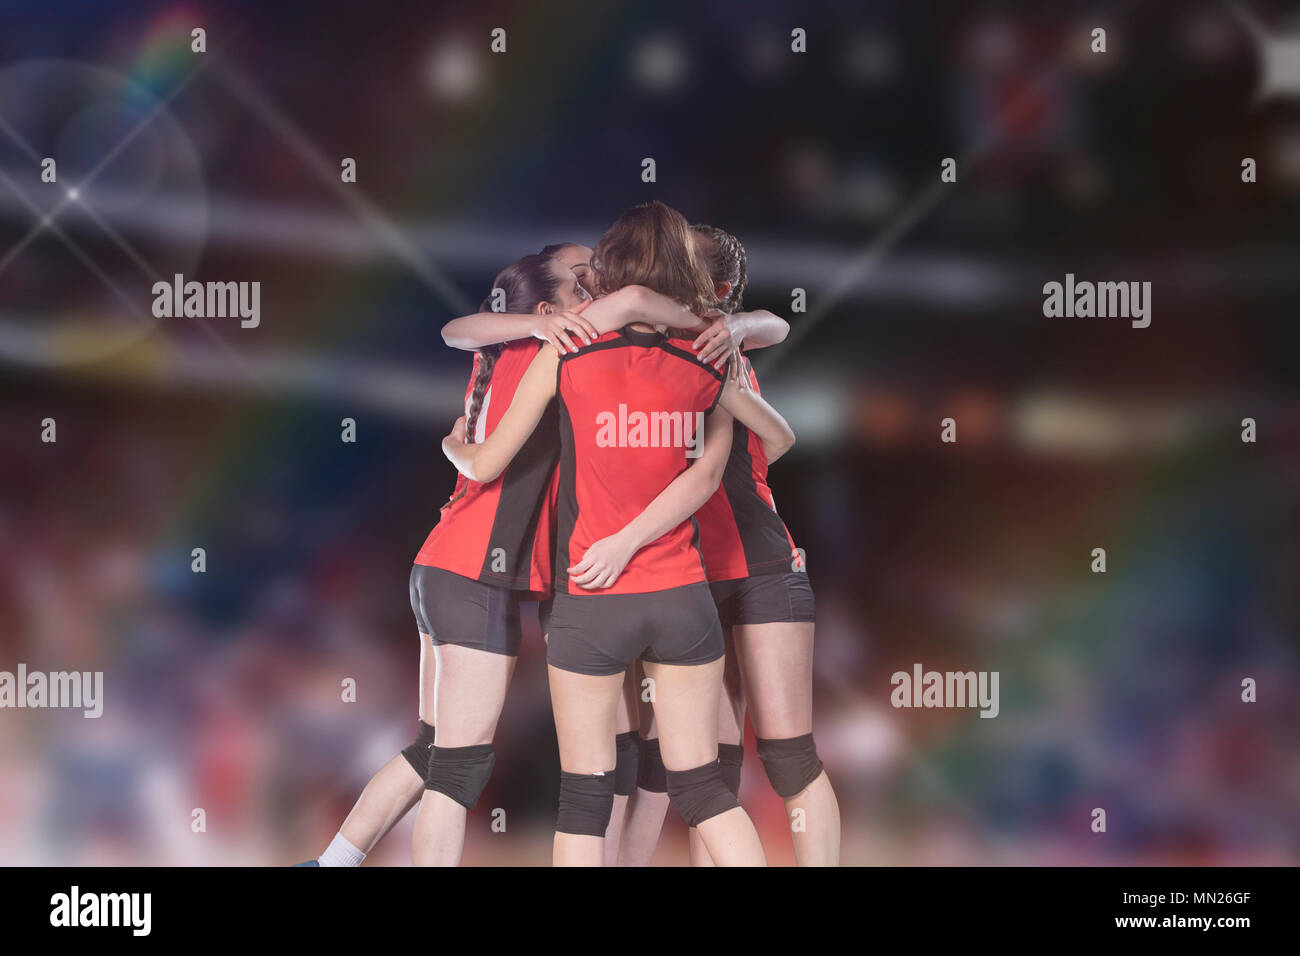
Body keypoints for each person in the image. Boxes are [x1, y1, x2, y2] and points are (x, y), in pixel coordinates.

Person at [442, 201, 792, 866]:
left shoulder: (568, 352)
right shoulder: (708, 358)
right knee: (706, 792)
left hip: (591, 598)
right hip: (682, 595)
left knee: (584, 794)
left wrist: (456, 446)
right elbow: (724, 466)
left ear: (607, 272)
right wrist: (730, 323)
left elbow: (487, 462)